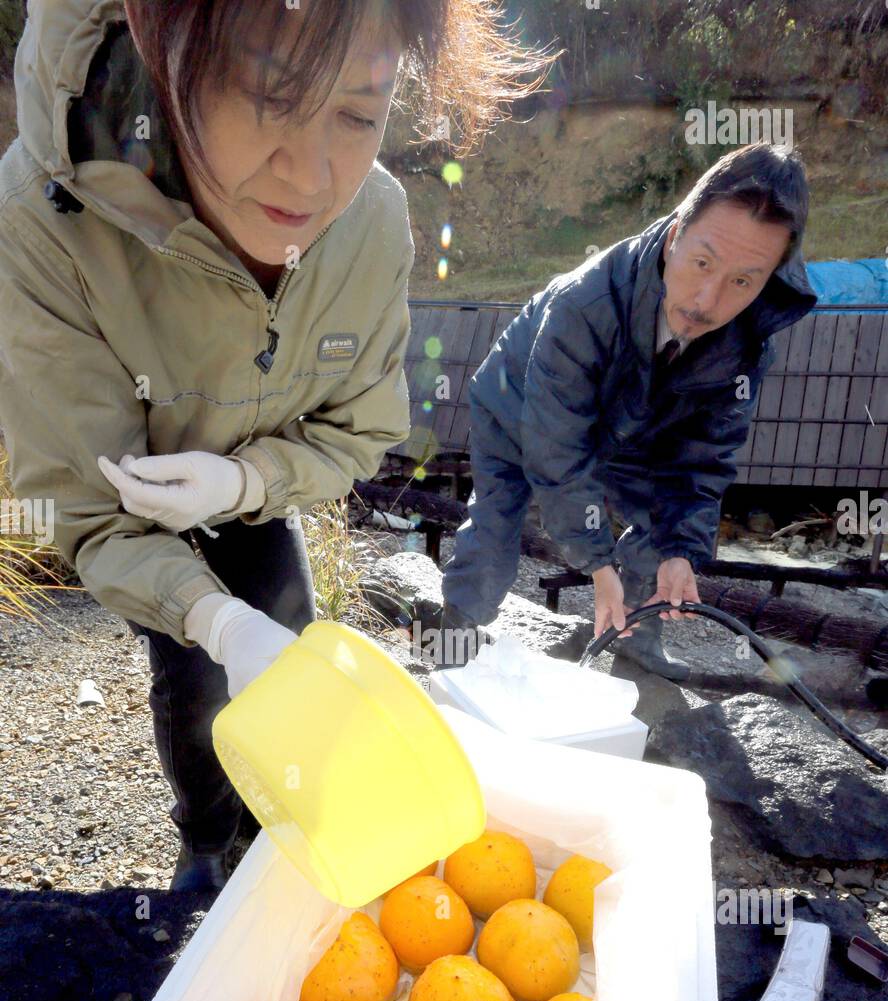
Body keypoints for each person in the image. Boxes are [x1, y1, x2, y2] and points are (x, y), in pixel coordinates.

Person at [0, 0, 554, 891]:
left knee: (288, 635)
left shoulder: (372, 220)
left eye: (357, 114)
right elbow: (91, 516)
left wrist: (242, 481)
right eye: (269, 97)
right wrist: (208, 615)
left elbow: (362, 429)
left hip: (247, 485)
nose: (312, 174)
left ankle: (281, 837)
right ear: (160, 45)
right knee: (195, 677)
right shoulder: (42, 223)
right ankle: (206, 839)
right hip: (135, 496)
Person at [439, 141, 817, 680]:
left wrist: (683, 548)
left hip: (627, 433)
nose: (707, 301)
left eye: (743, 281)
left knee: (661, 535)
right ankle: (455, 632)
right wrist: (596, 562)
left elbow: (701, 462)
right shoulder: (587, 304)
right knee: (497, 520)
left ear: (768, 281)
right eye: (702, 262)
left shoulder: (746, 344)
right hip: (517, 408)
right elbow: (558, 447)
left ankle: (638, 658)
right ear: (673, 238)